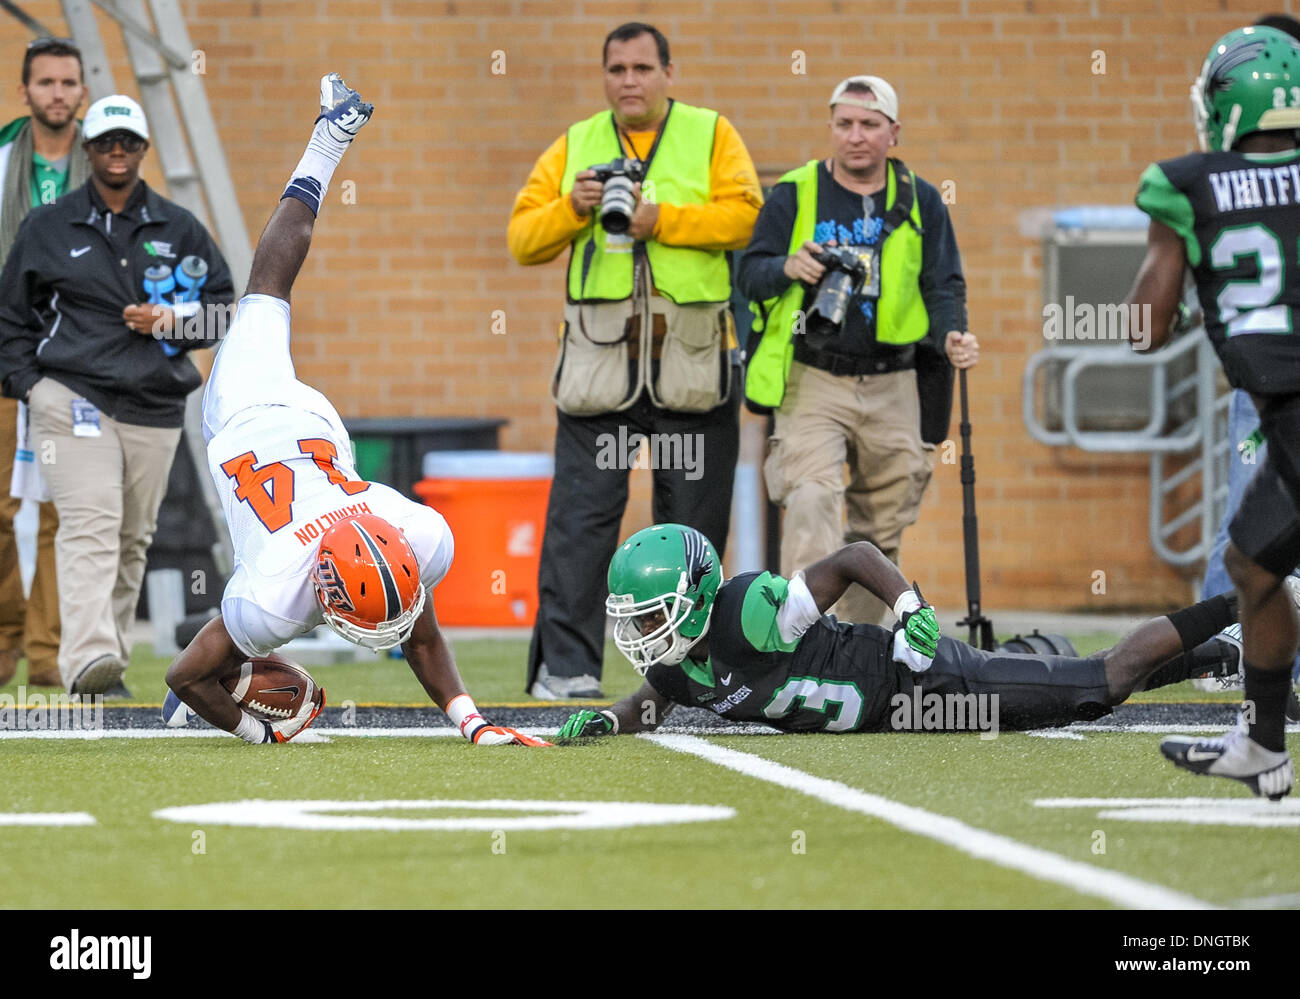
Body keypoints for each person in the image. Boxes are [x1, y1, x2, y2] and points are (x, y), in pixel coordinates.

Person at [161, 74, 547, 747]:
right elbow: (182, 675)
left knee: (269, 290)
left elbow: (418, 631)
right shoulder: (274, 593)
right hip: (249, 415)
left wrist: (475, 723)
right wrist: (263, 735)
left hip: (312, 432)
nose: (385, 637)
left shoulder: (414, 540)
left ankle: (329, 137)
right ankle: (329, 138)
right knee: (266, 289)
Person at [508, 21, 762, 699]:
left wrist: (662, 219)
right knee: (579, 528)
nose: (629, 81)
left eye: (643, 68)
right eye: (616, 69)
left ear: (668, 74)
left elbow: (746, 216)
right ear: (604, 77)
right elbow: (522, 239)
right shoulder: (576, 143)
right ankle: (566, 670)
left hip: (693, 367)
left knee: (693, 533)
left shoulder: (712, 133)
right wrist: (572, 206)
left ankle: (693, 673)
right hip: (600, 375)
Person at [554, 524, 1243, 741]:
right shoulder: (681, 664)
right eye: (635, 618)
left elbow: (853, 556)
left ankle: (1244, 603)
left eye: (651, 613)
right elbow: (651, 698)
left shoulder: (751, 611)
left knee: (1099, 684)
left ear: (699, 597)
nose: (645, 631)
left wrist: (909, 605)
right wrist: (610, 722)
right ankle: (1228, 653)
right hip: (901, 716)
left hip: (919, 678)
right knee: (1072, 682)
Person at [0, 93, 234, 697]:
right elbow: (10, 317)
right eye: (106, 142)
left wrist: (173, 325)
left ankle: (109, 666)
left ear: (143, 150)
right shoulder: (48, 227)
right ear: (88, 150)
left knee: (133, 539)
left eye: (128, 142)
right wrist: (30, 386)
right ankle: (88, 658)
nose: (117, 152)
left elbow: (226, 316)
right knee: (92, 526)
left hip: (156, 408)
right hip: (71, 396)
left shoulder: (179, 228)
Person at [1126, 24, 1300, 799]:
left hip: (1286, 407)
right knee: (1251, 565)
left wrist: (1186, 258)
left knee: (1253, 568)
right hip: (1288, 420)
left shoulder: (1187, 183)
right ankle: (1263, 745)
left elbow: (1142, 331)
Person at [737, 76, 977, 627]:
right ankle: (800, 643)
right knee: (812, 498)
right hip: (813, 375)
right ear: (831, 129)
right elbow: (749, 275)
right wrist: (786, 267)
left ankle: (861, 649)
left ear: (894, 133)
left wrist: (953, 334)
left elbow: (943, 285)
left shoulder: (921, 199)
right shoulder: (794, 193)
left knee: (882, 528)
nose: (855, 136)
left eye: (869, 125)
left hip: (895, 378)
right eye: (844, 124)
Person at [1197, 13, 1300, 689]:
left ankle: (1223, 645)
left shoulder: (1216, 175)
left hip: (1263, 366)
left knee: (1253, 516)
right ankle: (1226, 642)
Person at [0, 37, 89, 689]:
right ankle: (3, 639)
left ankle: (49, 654)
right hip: (6, 353)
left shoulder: (108, 160)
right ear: (24, 91)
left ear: (81, 93)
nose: (57, 93)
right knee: (1, 510)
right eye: (45, 82)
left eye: (68, 83)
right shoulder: (2, 156)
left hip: (78, 361)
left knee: (63, 510)